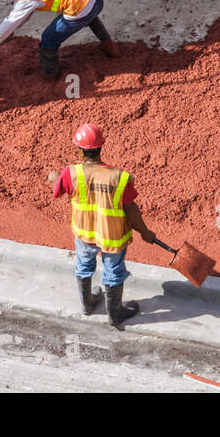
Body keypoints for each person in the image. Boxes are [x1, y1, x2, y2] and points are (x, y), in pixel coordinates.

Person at [50, 123, 150, 327]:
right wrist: (144, 231)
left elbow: (58, 188)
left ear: (79, 150)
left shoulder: (71, 173)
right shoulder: (119, 177)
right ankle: (115, 314)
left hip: (84, 234)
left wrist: (53, 177)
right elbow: (131, 209)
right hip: (112, 236)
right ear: (101, 147)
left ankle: (87, 305)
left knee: (84, 265)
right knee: (113, 270)